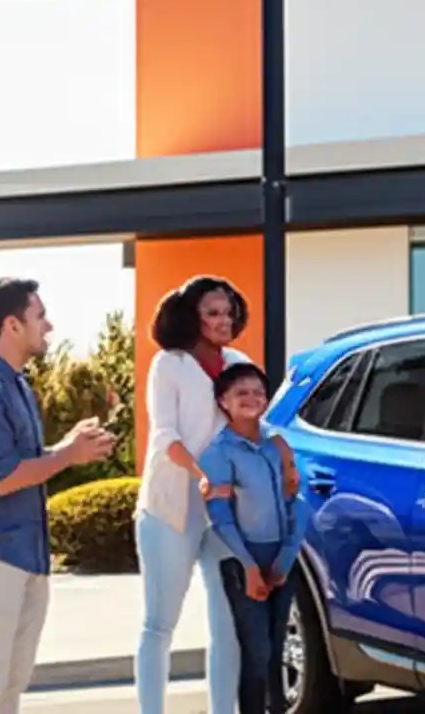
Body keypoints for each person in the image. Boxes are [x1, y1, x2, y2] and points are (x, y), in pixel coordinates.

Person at [0, 277, 115, 714]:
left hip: (23, 557)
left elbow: (24, 463)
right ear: (12, 326)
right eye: (40, 316)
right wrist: (68, 454)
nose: (49, 326)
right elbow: (3, 478)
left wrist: (64, 448)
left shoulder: (13, 384)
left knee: (7, 690)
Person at [133, 276, 299, 714]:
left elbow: (256, 424)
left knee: (228, 628)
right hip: (171, 509)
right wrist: (201, 473)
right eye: (213, 313)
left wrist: (283, 458)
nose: (223, 321)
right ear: (192, 316)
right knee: (159, 625)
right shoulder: (169, 363)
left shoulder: (239, 361)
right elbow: (164, 435)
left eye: (228, 312)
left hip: (227, 516)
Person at [200, 363, 311, 714]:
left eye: (258, 392)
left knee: (277, 649)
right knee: (257, 649)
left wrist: (287, 557)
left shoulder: (278, 445)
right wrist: (249, 566)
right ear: (223, 402)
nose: (251, 398)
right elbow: (220, 517)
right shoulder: (219, 452)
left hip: (282, 557)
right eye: (240, 393)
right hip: (241, 560)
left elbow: (298, 501)